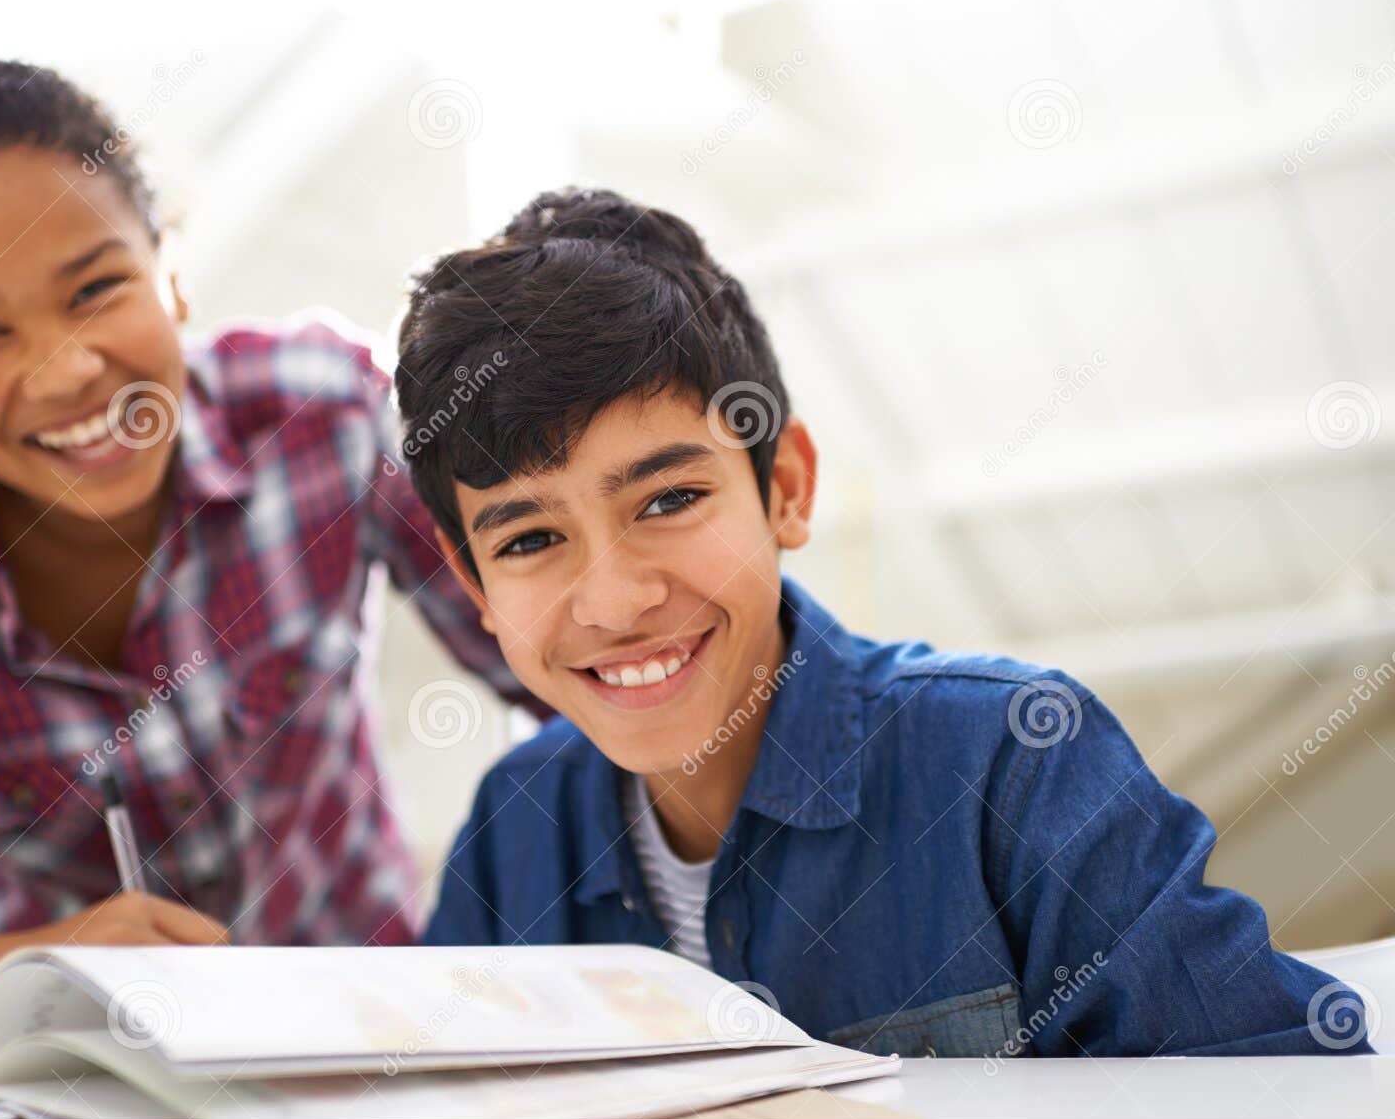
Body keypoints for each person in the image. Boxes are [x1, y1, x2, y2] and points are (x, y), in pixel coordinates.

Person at [399, 186, 1370, 1057]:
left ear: (782, 487)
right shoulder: (508, 832)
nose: (614, 601)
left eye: (666, 501)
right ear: (473, 585)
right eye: (528, 541)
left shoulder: (1012, 763)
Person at [0, 27, 534, 1041]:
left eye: (96, 287)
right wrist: (15, 971)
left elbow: (565, 667)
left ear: (171, 270)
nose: (65, 371)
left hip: (372, 1051)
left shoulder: (324, 417)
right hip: (64, 1087)